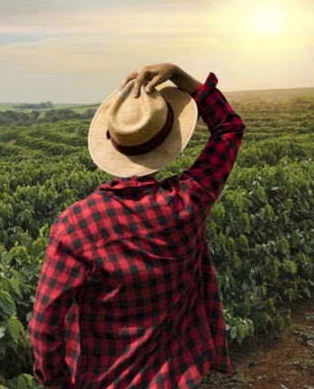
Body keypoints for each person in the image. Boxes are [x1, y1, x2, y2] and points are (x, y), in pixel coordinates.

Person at [28, 63, 245, 388]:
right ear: (169, 140)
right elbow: (229, 128)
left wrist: (56, 381)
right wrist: (178, 75)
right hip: (179, 374)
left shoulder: (76, 226)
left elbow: (45, 325)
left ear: (112, 143)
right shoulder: (189, 201)